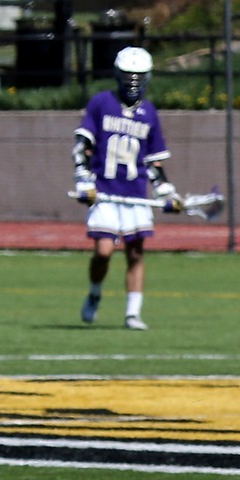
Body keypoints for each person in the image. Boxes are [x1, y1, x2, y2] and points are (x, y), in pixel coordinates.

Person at [72, 46, 181, 331]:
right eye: (129, 75)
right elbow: (82, 147)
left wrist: (166, 192)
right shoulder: (101, 103)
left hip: (135, 195)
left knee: (135, 252)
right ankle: (95, 293)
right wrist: (84, 180)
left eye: (139, 76)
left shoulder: (148, 113)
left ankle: (133, 313)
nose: (134, 82)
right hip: (106, 192)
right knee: (104, 251)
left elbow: (153, 161)